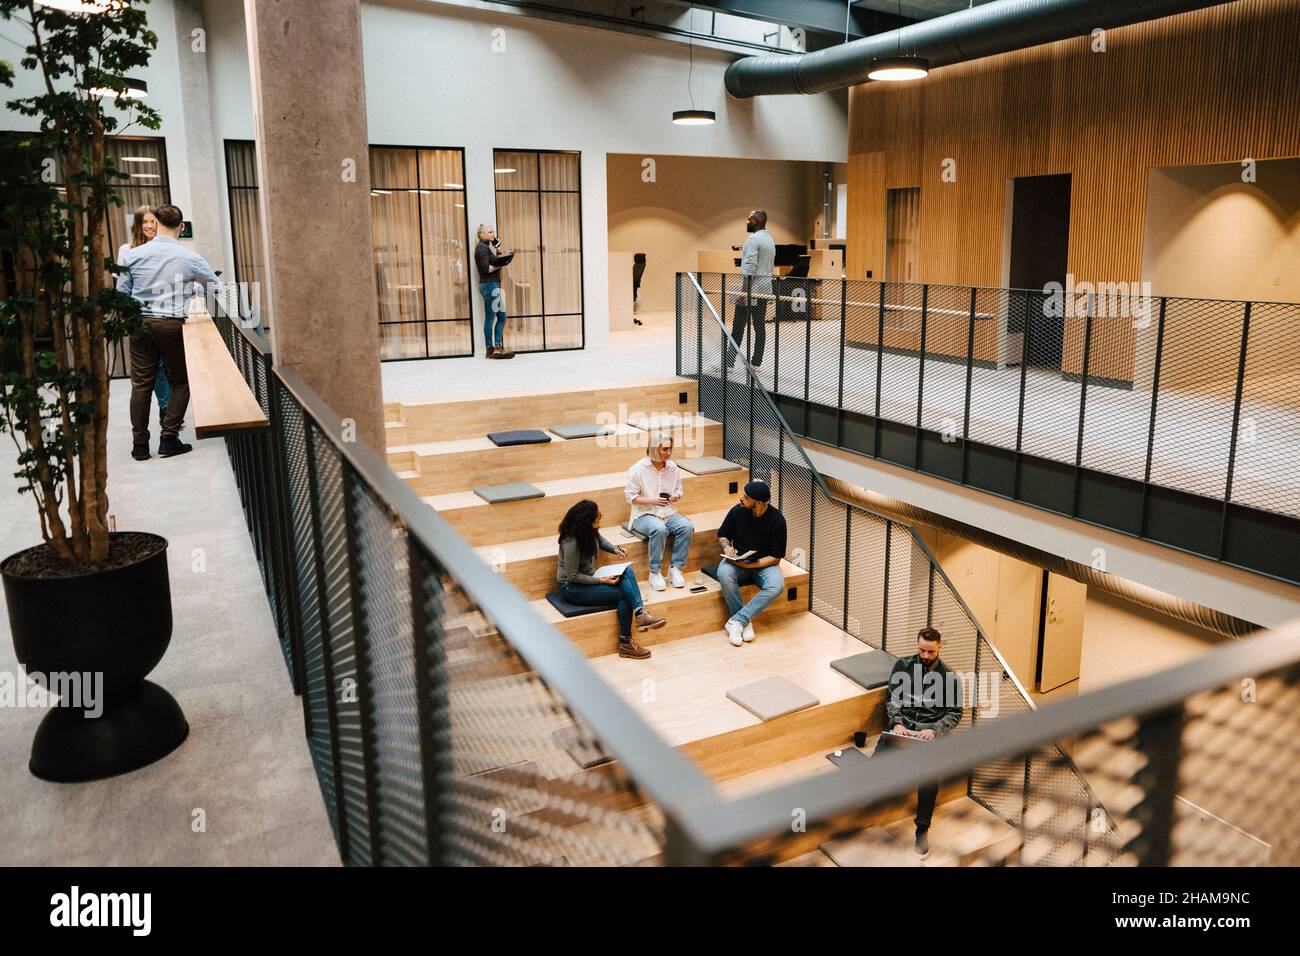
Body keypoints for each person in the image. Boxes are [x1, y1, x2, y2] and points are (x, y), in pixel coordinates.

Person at [116, 202, 220, 461]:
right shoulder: (190, 258)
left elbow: (120, 293)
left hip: (140, 322)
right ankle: (168, 438)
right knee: (181, 382)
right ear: (181, 228)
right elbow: (216, 288)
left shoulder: (132, 255)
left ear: (157, 224)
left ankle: (140, 445)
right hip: (172, 325)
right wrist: (192, 290)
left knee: (141, 385)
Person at [873, 626, 964, 860]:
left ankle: (922, 830)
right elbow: (892, 698)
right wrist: (896, 723)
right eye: (922, 650)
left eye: (931, 652)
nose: (925, 656)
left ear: (940, 647)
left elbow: (954, 713)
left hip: (929, 734)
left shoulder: (950, 678)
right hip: (902, 729)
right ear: (917, 645)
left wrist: (934, 730)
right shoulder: (903, 666)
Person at [557, 499, 664, 659]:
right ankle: (626, 642)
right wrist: (602, 581)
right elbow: (573, 576)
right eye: (597, 519)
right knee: (624, 595)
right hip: (572, 588)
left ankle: (641, 614)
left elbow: (600, 541)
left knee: (626, 570)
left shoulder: (588, 530)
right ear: (587, 522)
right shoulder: (571, 541)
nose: (600, 520)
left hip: (591, 577)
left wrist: (615, 550)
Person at [117, 205, 170, 433]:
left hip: (164, 315)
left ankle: (163, 414)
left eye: (153, 222)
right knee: (150, 372)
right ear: (137, 225)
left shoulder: (164, 248)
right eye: (144, 222)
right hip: (139, 318)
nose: (149, 226)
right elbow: (122, 287)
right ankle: (164, 412)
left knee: (162, 367)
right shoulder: (127, 250)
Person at [716, 480, 786, 647]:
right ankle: (743, 622)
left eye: (746, 497)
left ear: (759, 503)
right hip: (738, 559)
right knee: (723, 574)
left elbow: (776, 557)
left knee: (777, 586)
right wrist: (727, 548)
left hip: (764, 563)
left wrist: (752, 566)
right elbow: (722, 535)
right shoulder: (737, 511)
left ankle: (738, 620)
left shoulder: (778, 520)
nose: (741, 499)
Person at [625, 432, 695, 591]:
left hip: (667, 512)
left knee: (687, 526)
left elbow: (679, 490)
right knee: (659, 529)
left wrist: (676, 496)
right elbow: (631, 497)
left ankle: (675, 569)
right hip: (643, 514)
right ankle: (654, 572)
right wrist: (653, 500)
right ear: (654, 449)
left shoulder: (673, 467)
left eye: (670, 448)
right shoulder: (638, 469)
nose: (669, 453)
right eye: (665, 449)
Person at [725, 209, 775, 371]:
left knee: (738, 325)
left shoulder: (752, 239)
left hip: (751, 288)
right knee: (759, 325)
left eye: (749, 219)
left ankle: (729, 363)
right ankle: (756, 363)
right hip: (765, 286)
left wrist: (743, 293)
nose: (747, 222)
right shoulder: (770, 239)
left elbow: (749, 267)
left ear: (757, 222)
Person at [474, 224, 515, 360]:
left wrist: (499, 251)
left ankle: (496, 346)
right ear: (481, 234)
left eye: (493, 232)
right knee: (491, 318)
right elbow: (487, 269)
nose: (493, 234)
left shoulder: (487, 248)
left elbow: (494, 262)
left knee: (501, 317)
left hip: (492, 285)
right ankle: (490, 349)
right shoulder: (482, 249)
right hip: (489, 286)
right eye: (490, 232)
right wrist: (503, 263)